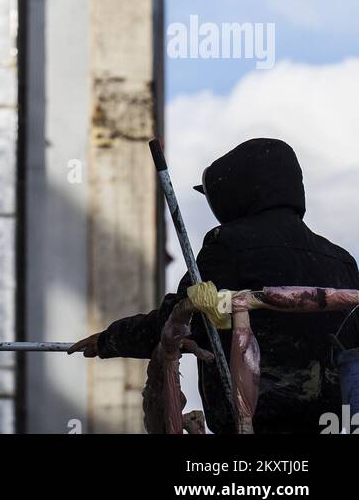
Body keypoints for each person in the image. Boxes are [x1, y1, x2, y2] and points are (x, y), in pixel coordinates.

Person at [70, 137, 359, 434]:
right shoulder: (344, 262)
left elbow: (176, 322)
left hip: (252, 422)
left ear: (238, 194)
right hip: (335, 424)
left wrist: (110, 339)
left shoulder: (228, 245)